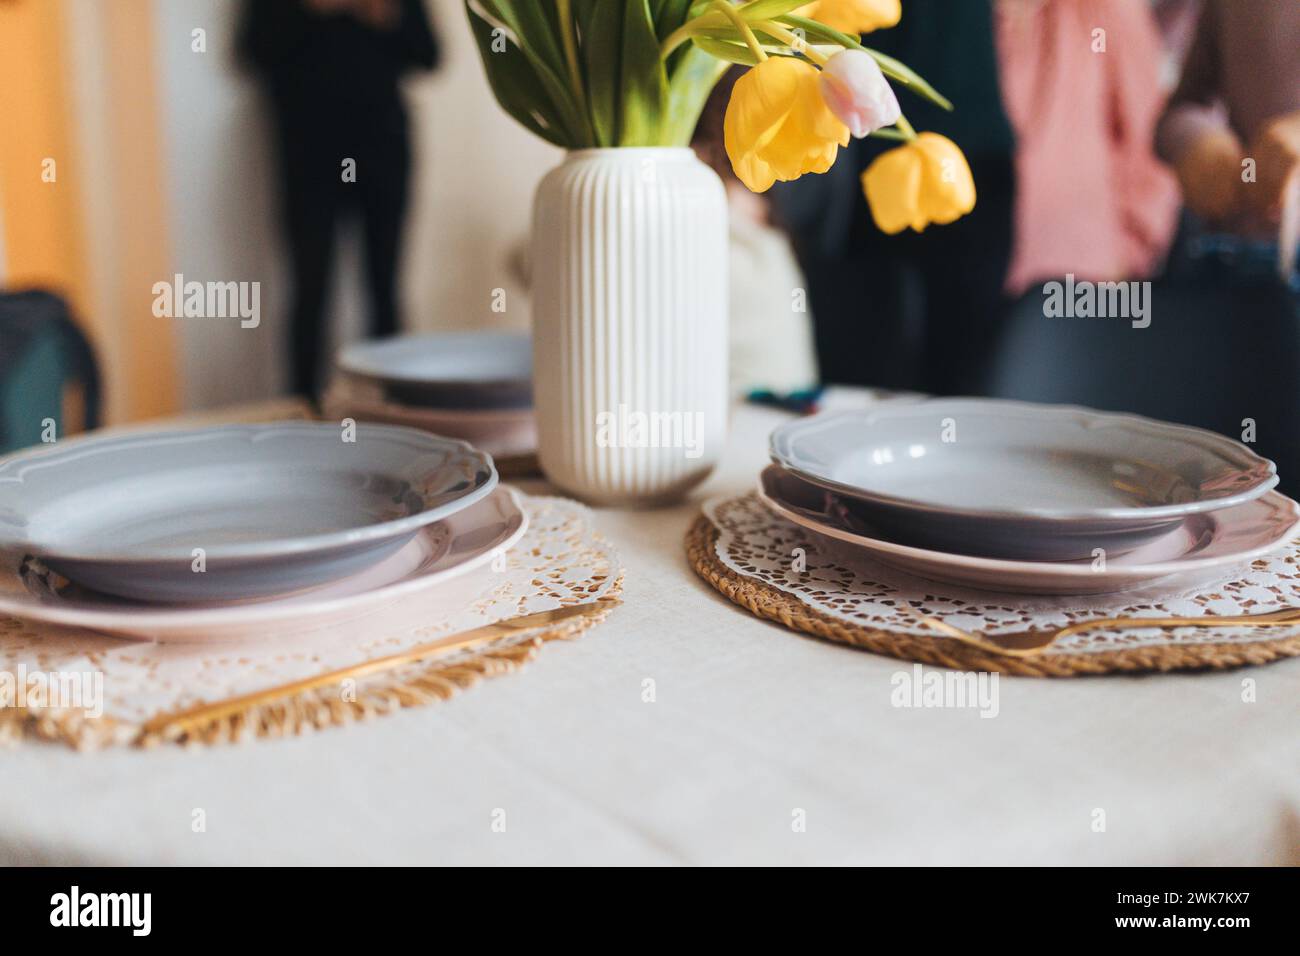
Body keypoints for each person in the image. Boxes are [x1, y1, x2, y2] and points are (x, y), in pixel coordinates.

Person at [239, 0, 438, 399]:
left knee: (385, 287)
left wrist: (383, 13)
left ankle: (395, 406)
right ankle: (302, 409)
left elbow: (429, 54)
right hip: (307, 153)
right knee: (309, 287)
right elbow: (252, 51)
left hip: (382, 147)